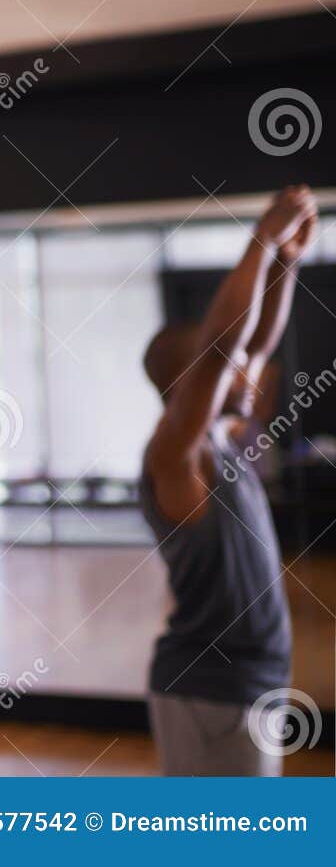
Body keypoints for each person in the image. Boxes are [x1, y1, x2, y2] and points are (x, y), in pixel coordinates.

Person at [139, 185, 318, 776]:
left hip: (248, 683)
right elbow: (225, 349)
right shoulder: (175, 455)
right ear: (190, 384)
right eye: (227, 366)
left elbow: (254, 340)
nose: (249, 369)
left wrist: (287, 259)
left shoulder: (226, 437)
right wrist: (262, 239)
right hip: (210, 689)